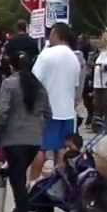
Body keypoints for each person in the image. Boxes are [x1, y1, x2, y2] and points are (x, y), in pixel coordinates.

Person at [0, 52, 51, 212]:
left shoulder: (9, 83)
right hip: (34, 139)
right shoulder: (38, 86)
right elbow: (48, 113)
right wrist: (39, 129)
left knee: (17, 180)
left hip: (14, 138)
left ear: (12, 66)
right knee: (19, 178)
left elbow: (2, 111)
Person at [31, 22, 82, 182]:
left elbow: (34, 81)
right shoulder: (74, 58)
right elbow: (75, 86)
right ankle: (59, 182)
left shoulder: (47, 54)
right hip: (67, 112)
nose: (49, 38)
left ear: (56, 34)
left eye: (51, 34)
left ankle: (32, 182)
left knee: (40, 148)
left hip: (47, 111)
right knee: (62, 148)